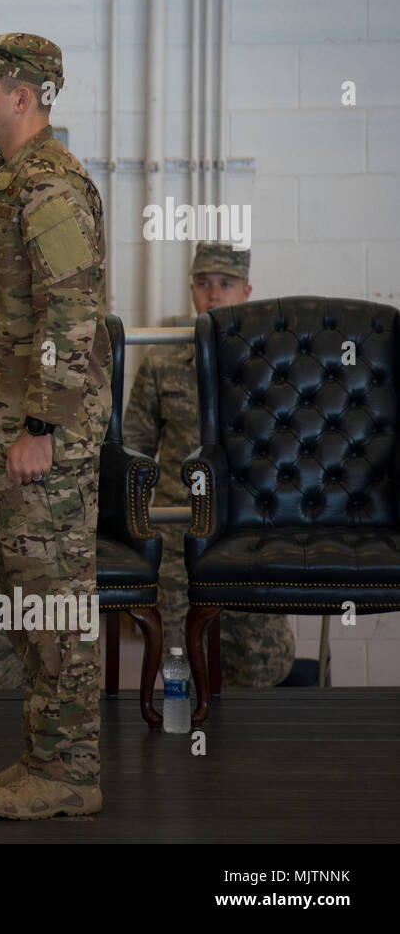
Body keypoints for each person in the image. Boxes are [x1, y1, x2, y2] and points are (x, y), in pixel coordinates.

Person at [0, 33, 112, 819]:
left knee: (55, 607)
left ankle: (71, 772)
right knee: (28, 605)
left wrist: (41, 425)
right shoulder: (8, 179)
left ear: (23, 95)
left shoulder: (48, 186)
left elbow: (72, 311)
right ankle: (43, 757)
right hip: (7, 432)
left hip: (40, 441)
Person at [123, 242, 295, 687]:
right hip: (180, 535)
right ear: (192, 289)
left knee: (258, 663)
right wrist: (135, 536)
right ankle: (186, 749)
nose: (213, 295)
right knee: (179, 663)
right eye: (203, 284)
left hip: (251, 531)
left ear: (247, 291)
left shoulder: (273, 367)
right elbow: (135, 452)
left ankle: (249, 754)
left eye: (225, 284)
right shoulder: (162, 363)